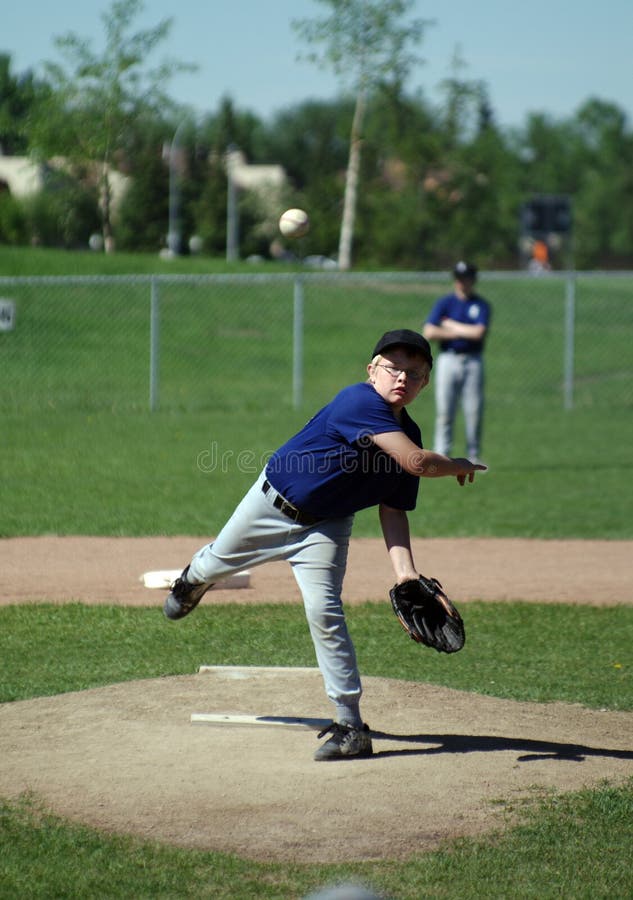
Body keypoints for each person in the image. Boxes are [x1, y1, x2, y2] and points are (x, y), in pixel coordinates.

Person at [163, 329, 486, 761]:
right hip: (269, 505)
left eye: (414, 372)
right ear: (371, 370)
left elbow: (393, 509)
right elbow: (415, 462)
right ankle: (193, 580)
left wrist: (405, 573)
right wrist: (458, 464)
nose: (402, 378)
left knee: (324, 611)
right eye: (393, 367)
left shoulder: (408, 432)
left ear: (425, 382)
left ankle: (351, 726)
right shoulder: (359, 401)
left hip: (326, 528)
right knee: (215, 563)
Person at [422, 262, 492, 462]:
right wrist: (463, 332)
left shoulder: (481, 305)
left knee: (474, 410)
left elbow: (478, 333)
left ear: (473, 280)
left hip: (473, 360)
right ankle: (442, 454)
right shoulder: (445, 303)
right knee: (445, 410)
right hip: (448, 358)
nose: (462, 282)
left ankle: (473, 455)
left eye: (466, 278)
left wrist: (450, 325)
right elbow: (429, 332)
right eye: (459, 278)